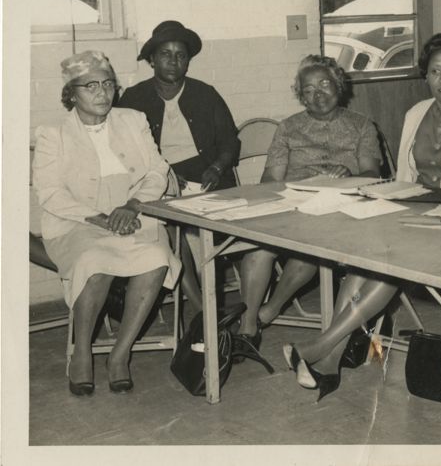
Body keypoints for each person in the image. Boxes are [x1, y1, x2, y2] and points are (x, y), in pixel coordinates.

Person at [282, 33, 441, 401]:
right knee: (361, 262)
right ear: (426, 76)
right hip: (413, 213)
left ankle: (321, 348)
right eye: (436, 71)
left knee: (389, 264)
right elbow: (403, 179)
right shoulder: (415, 113)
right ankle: (329, 358)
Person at [32, 51, 181, 396]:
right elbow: (50, 193)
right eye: (91, 86)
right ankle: (82, 351)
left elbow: (158, 170)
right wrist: (100, 219)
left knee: (156, 260)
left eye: (108, 84)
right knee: (95, 264)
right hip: (78, 221)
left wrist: (132, 205)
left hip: (134, 214)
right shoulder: (53, 134)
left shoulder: (133, 119)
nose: (102, 93)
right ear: (72, 93)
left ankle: (120, 353)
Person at [235, 55, 382, 358]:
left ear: (339, 85)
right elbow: (270, 179)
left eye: (325, 85)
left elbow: (373, 175)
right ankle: (247, 329)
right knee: (259, 249)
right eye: (309, 89)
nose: (318, 94)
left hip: (342, 209)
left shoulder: (362, 126)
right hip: (293, 206)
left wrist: (351, 175)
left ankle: (270, 311)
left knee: (308, 251)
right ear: (300, 95)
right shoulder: (288, 128)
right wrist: (292, 187)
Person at [117, 20, 240, 315]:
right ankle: (206, 311)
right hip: (156, 179)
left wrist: (217, 166)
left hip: (207, 178)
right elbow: (123, 154)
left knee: (216, 231)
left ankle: (212, 305)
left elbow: (230, 142)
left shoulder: (205, 93)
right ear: (151, 60)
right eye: (165, 54)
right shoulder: (133, 98)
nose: (173, 61)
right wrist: (167, 175)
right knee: (174, 233)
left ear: (188, 61)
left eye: (180, 55)